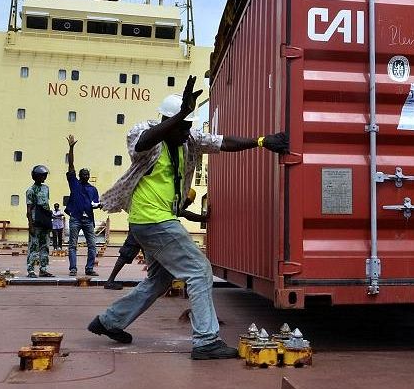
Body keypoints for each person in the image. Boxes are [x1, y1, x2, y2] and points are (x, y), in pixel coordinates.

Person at [87, 75, 288, 360]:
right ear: (169, 122)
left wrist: (261, 141)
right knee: (199, 270)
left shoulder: (187, 139)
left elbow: (222, 142)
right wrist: (181, 114)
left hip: (158, 219)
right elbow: (142, 142)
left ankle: (109, 322)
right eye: (183, 126)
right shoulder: (144, 132)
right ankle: (206, 340)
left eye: (189, 126)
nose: (187, 132)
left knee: (160, 280)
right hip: (152, 220)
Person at [103, 188, 206, 291]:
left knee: (151, 257)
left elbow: (183, 212)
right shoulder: (170, 201)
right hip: (142, 223)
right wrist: (203, 218)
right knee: (127, 253)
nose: (187, 205)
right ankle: (110, 281)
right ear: (183, 199)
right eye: (187, 203)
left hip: (142, 223)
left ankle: (153, 284)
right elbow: (185, 213)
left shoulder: (169, 200)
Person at [65, 135, 100, 277]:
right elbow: (71, 165)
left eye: (87, 174)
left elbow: (95, 204)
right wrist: (71, 148)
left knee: (92, 245)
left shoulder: (93, 189)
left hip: (88, 220)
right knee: (72, 245)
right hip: (76, 218)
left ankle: (89, 268)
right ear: (79, 175)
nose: (85, 176)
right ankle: (73, 268)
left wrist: (99, 205)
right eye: (83, 174)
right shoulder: (74, 183)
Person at [25, 165, 54, 278]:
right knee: (33, 246)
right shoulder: (30, 190)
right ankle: (31, 270)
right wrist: (30, 225)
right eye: (43, 175)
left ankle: (43, 269)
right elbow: (29, 209)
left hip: (45, 220)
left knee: (45, 246)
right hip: (36, 221)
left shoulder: (46, 188)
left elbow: (46, 204)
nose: (44, 177)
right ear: (36, 176)